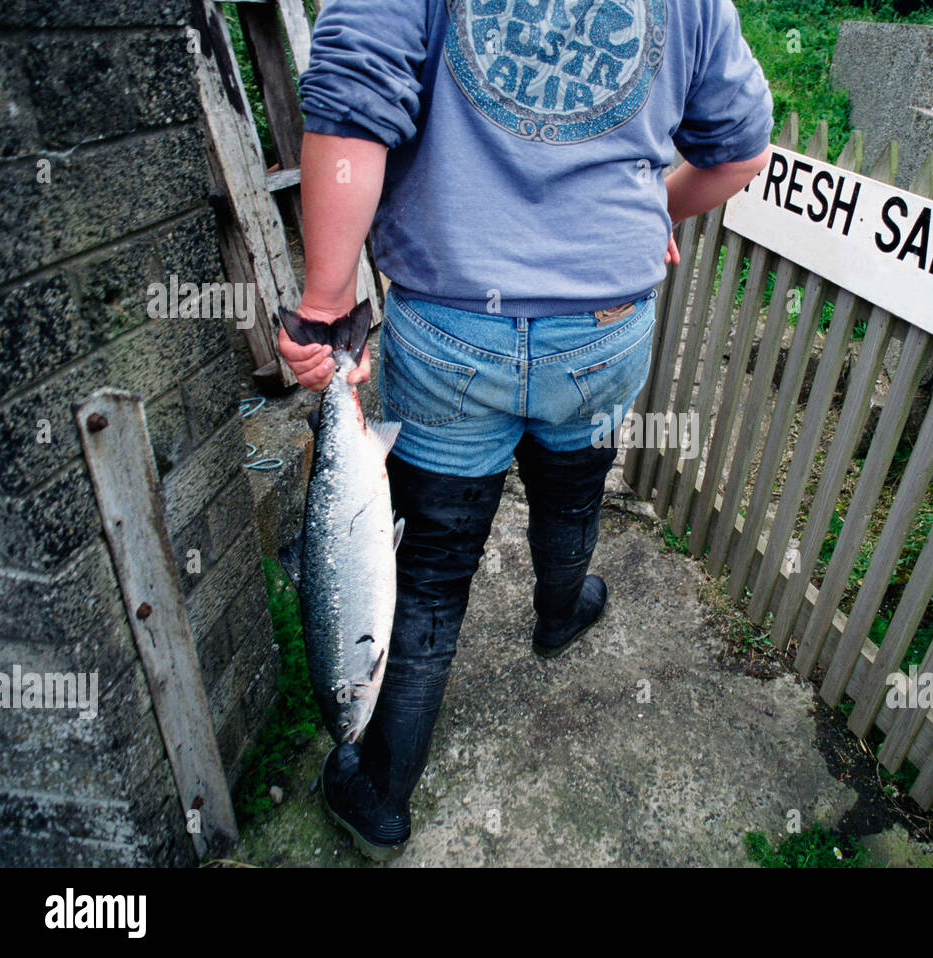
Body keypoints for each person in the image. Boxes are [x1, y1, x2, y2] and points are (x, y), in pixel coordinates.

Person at [276, 0, 773, 860]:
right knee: (573, 484)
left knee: (431, 563)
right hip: (603, 319)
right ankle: (560, 609)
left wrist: (325, 302)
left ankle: (384, 791)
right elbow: (739, 154)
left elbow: (355, 102)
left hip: (449, 321)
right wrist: (656, 211)